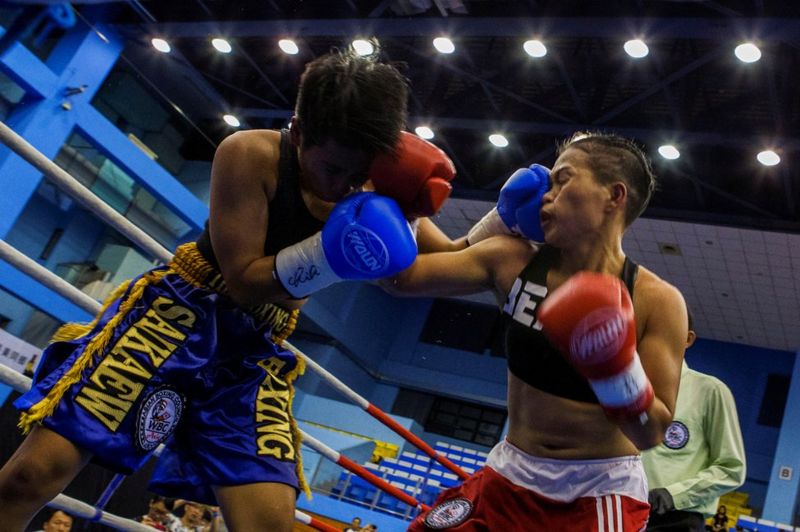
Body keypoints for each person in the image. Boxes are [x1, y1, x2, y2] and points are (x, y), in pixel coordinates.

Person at [0, 49, 455, 532]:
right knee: (31, 476)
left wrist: (502, 225)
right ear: (299, 132)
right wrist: (333, 253)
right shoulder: (251, 154)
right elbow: (243, 281)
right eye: (331, 168)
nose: (343, 186)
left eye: (357, 174)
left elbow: (451, 255)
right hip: (179, 316)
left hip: (254, 353)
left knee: (269, 526)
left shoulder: (373, 186)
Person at [383, 132, 689, 531]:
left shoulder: (656, 300)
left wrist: (615, 369)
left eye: (562, 180)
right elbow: (403, 279)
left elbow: (652, 433)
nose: (547, 194)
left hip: (596, 495)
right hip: (509, 474)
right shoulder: (512, 260)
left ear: (614, 196)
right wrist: (397, 196)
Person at [642, 309, 746, 531]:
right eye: (646, 329)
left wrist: (673, 495)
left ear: (687, 339)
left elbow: (731, 468)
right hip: (618, 513)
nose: (652, 338)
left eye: (663, 330)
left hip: (675, 520)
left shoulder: (710, 392)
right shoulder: (621, 389)